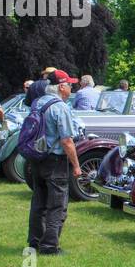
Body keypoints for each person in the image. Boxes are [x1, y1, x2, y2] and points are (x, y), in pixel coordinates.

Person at [27, 70, 82, 256]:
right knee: (57, 205)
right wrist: (76, 165)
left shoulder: (37, 102)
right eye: (70, 85)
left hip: (37, 158)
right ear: (61, 86)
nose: (71, 88)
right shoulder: (60, 107)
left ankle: (34, 242)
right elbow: (66, 141)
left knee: (38, 202)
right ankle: (50, 246)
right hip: (55, 161)